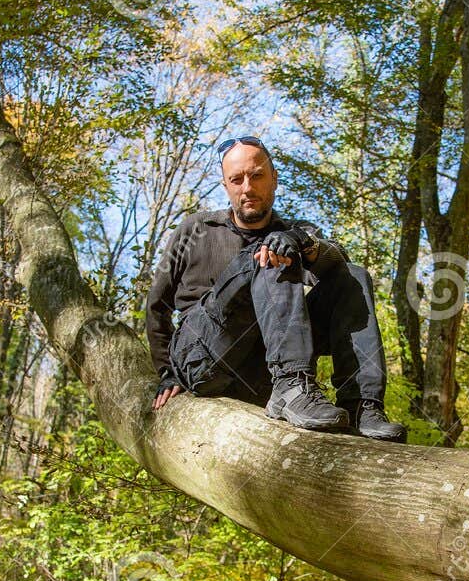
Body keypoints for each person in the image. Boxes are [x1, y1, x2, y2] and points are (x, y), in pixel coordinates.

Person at [145, 135, 406, 439]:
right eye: (237, 179)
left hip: (262, 369)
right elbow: (157, 306)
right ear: (226, 185)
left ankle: (361, 404)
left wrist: (304, 243)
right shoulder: (196, 229)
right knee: (266, 255)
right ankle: (292, 384)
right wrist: (166, 371)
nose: (247, 187)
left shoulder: (292, 231)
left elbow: (338, 261)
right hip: (204, 359)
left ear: (274, 179)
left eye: (256, 176)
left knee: (353, 274)